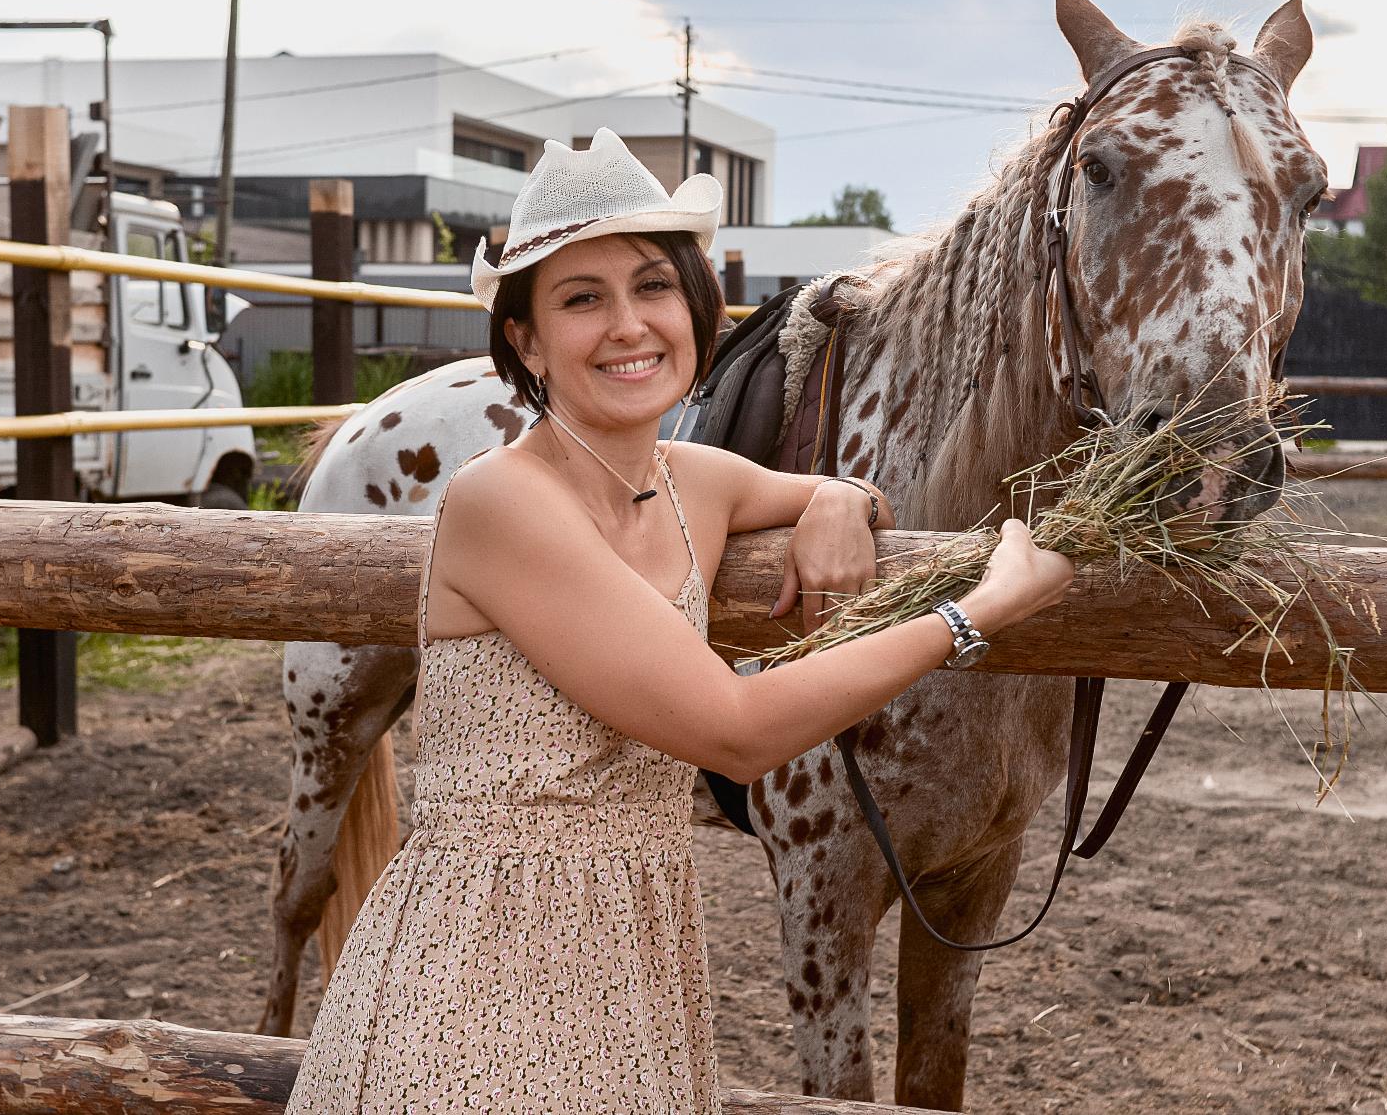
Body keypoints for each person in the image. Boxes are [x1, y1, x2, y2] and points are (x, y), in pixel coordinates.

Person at [285, 129, 1076, 1113]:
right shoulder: (502, 505)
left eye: (653, 288)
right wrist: (974, 613)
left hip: (632, 962)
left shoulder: (688, 480)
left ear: (697, 314)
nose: (628, 326)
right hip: (483, 972)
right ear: (524, 341)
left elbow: (822, 489)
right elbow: (734, 735)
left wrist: (841, 500)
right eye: (581, 299)